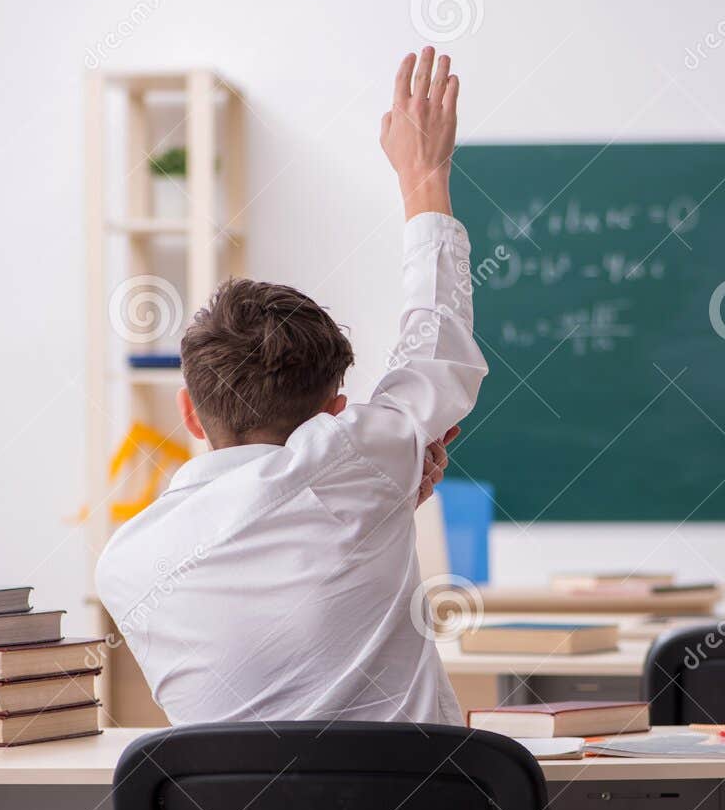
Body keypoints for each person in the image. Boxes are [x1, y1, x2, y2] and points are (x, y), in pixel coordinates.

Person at [95, 48, 485, 726]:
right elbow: (438, 345)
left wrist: (387, 493)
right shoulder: (364, 461)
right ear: (333, 412)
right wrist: (424, 176)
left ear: (190, 411)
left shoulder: (124, 563)